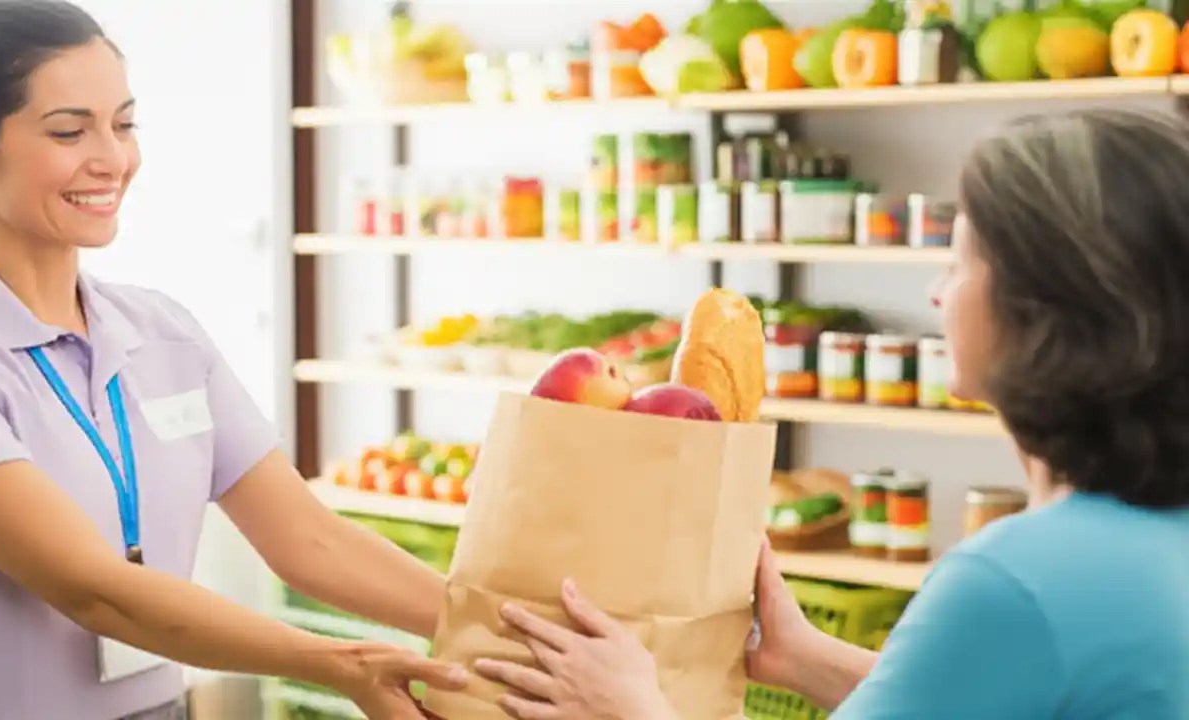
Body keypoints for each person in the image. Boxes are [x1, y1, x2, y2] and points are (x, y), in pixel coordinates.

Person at [475, 108, 1189, 719]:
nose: (938, 296)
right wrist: (803, 658)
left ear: (1044, 307)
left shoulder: (1014, 582)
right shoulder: (1150, 541)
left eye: (960, 262)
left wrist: (634, 708)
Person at [0, 2, 467, 718]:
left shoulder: (164, 333)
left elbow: (312, 539)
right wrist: (344, 664)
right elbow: (94, 588)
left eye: (124, 123)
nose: (111, 157)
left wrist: (499, 628)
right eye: (69, 131)